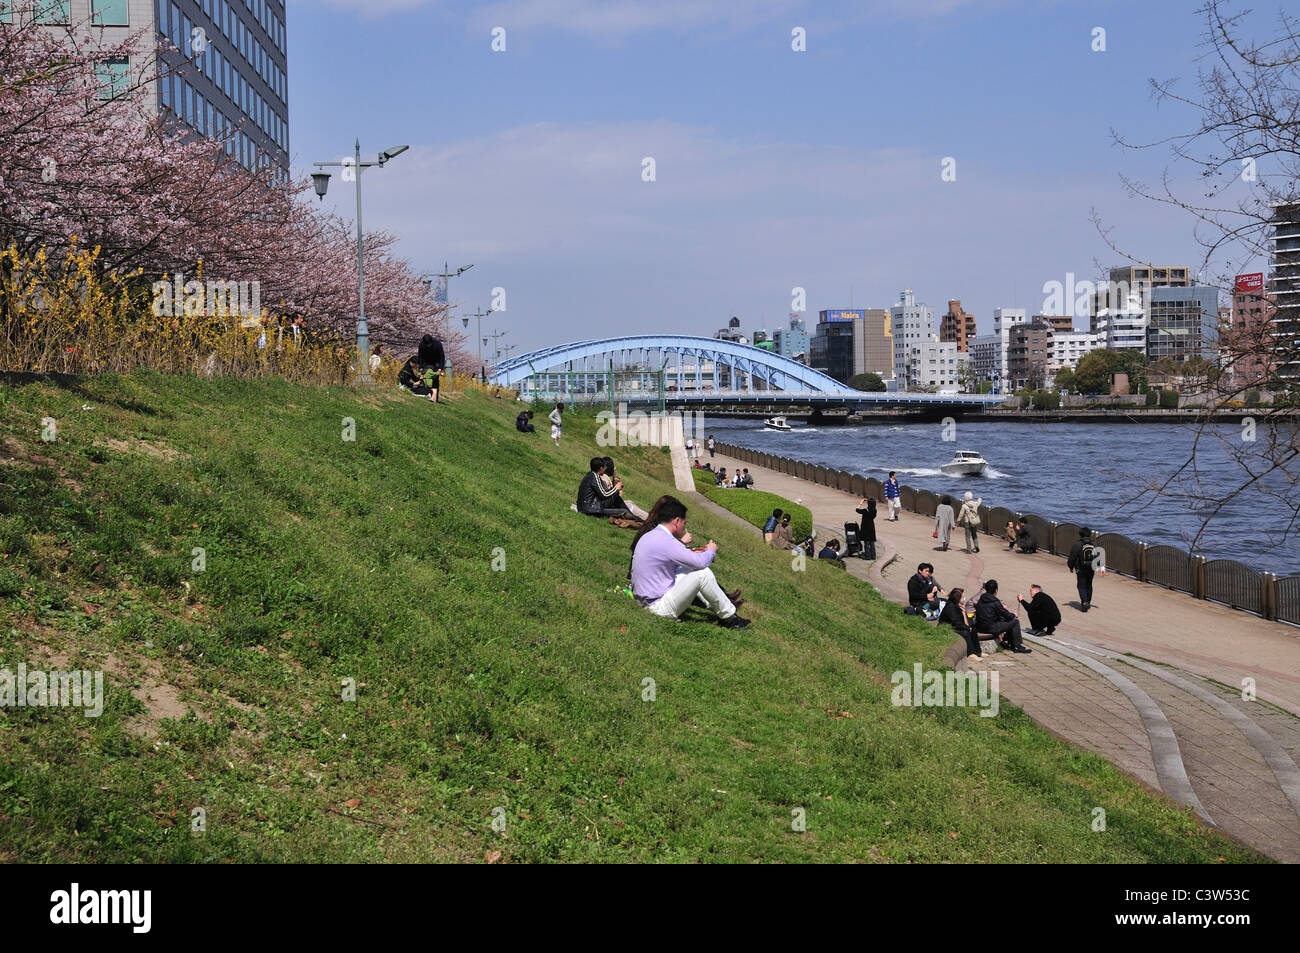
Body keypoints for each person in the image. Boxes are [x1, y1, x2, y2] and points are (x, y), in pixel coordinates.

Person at [630, 497, 749, 629]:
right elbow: (700, 563)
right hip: (656, 607)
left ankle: (721, 609)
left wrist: (699, 554)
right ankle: (730, 618)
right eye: (684, 524)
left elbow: (684, 560)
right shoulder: (668, 541)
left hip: (642, 600)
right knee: (702, 574)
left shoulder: (651, 535)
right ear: (676, 521)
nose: (684, 527)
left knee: (691, 570)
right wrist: (711, 551)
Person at [974, 580, 1032, 653]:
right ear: (996, 590)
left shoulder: (981, 599)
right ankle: (1017, 646)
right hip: (990, 628)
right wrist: (1013, 614)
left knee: (1007, 622)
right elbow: (1007, 615)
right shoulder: (995, 602)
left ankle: (1011, 643)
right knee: (1015, 622)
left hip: (980, 627)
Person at [937, 587, 983, 660]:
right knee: (965, 633)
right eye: (962, 596)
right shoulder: (951, 607)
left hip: (954, 626)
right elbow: (957, 623)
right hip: (947, 629)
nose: (963, 598)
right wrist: (967, 628)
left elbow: (965, 623)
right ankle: (970, 653)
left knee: (973, 630)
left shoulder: (957, 606)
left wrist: (964, 612)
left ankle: (978, 651)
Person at [1067, 527, 1106, 612]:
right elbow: (1100, 556)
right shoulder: (1094, 544)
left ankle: (1084, 602)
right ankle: (1088, 601)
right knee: (1089, 584)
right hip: (1091, 568)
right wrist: (1101, 568)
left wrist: (1070, 566)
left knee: (1081, 585)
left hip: (1080, 569)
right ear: (1089, 534)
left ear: (1080, 535)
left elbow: (1072, 557)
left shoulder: (1077, 545)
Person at [398, 334, 446, 402]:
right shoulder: (421, 345)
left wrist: (440, 368)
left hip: (436, 362)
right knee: (425, 377)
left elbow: (442, 357)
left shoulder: (437, 344)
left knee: (435, 379)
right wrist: (421, 367)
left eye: (429, 344)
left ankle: (435, 398)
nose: (428, 346)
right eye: (426, 345)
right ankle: (428, 394)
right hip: (426, 362)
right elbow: (420, 356)